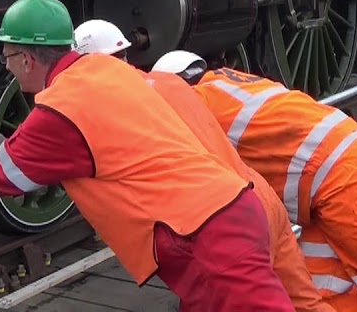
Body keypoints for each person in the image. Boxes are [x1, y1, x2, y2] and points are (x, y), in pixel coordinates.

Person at [0, 0, 294, 311]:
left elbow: (2, 176)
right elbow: (93, 143)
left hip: (205, 236)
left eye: (7, 56)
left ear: (27, 58)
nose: (5, 65)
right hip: (228, 212)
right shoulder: (105, 70)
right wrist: (16, 147)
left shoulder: (60, 108)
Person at [152, 51, 357, 312]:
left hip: (344, 185)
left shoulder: (197, 104)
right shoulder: (231, 82)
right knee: (323, 290)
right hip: (337, 181)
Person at [79, 21, 330, 312]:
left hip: (224, 219)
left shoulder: (125, 104)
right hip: (257, 197)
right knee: (308, 303)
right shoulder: (171, 85)